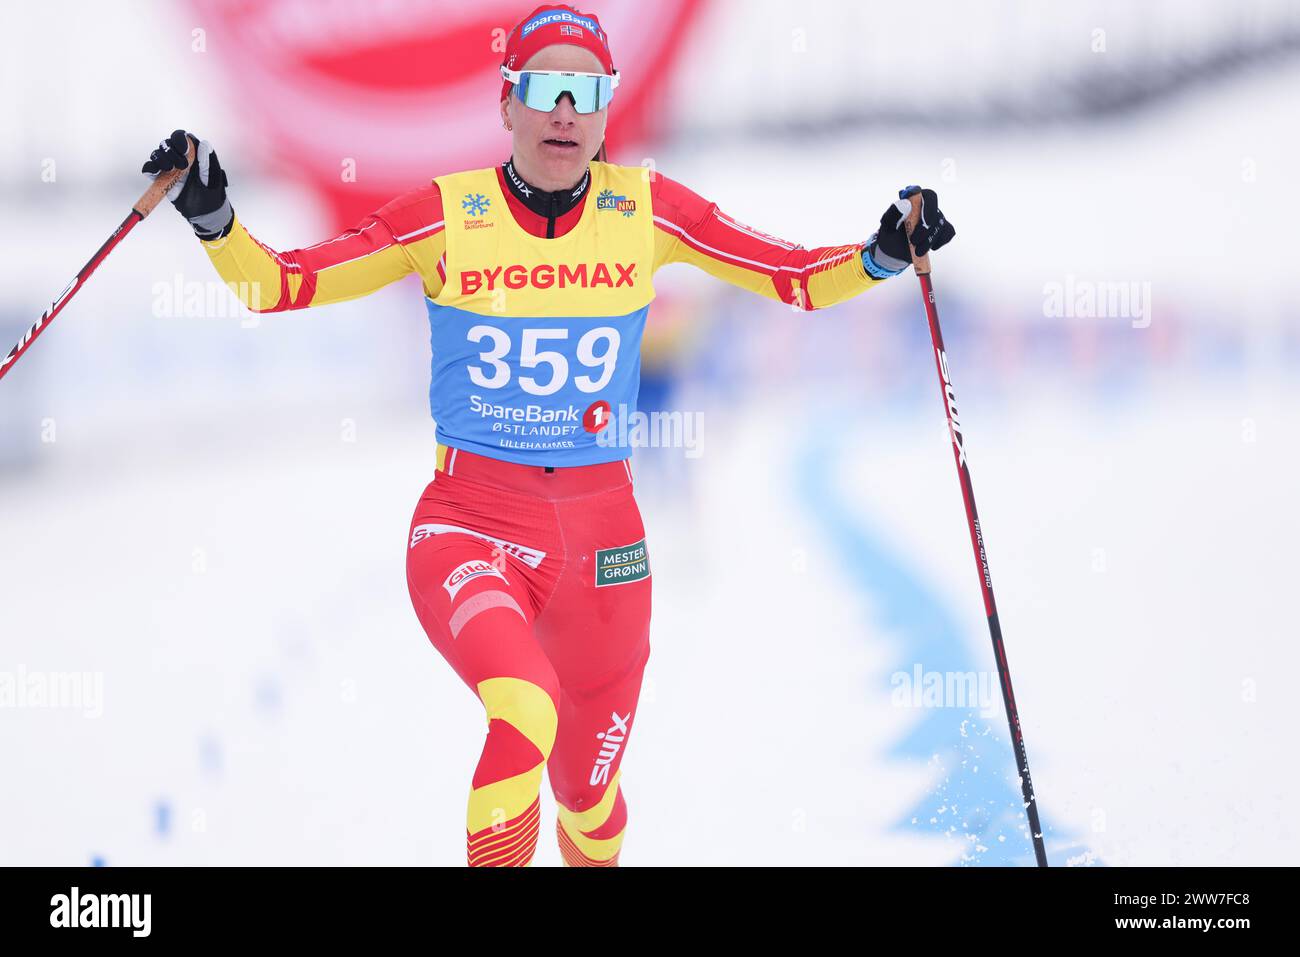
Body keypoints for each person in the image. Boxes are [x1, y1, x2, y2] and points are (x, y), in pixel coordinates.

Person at [141, 3, 955, 867]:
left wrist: (884, 252)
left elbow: (791, 277)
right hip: (470, 521)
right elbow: (282, 285)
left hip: (605, 547)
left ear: (606, 107)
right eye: (546, 88)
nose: (566, 110)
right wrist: (214, 221)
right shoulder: (443, 215)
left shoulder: (647, 210)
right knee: (523, 705)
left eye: (586, 90)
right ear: (508, 103)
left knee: (588, 799)